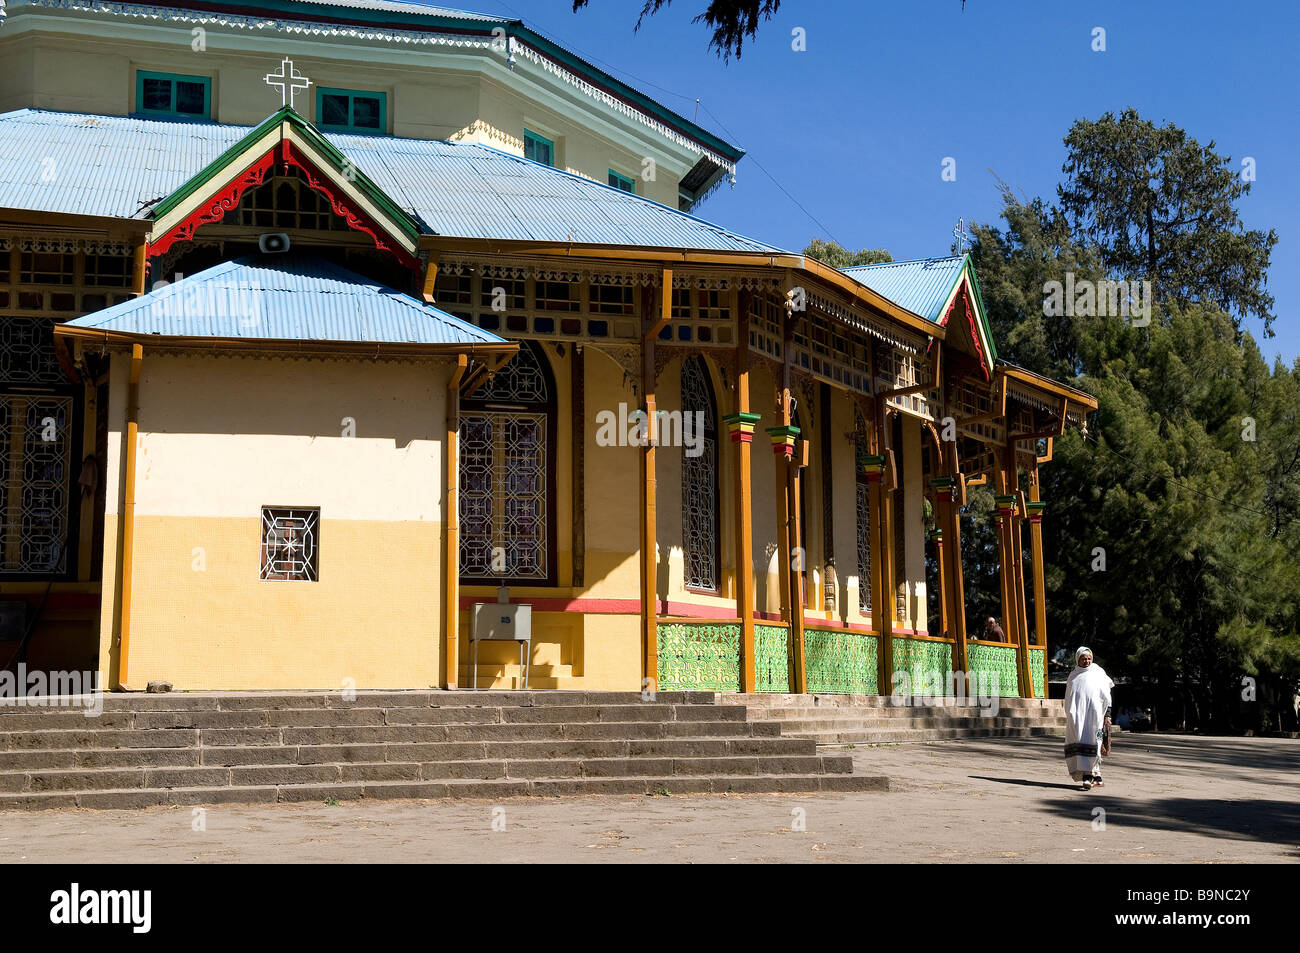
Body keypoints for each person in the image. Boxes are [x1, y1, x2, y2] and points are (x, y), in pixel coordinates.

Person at [1063, 646, 1114, 790]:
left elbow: (1106, 695)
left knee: (1095, 741)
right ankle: (1095, 775)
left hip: (1096, 717)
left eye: (1089, 658)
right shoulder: (1073, 676)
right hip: (1078, 718)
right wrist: (1070, 714)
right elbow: (1069, 698)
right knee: (1081, 741)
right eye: (1083, 659)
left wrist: (1108, 715)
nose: (1086, 661)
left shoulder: (1098, 673)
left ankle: (1088, 776)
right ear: (1077, 659)